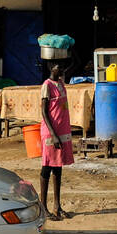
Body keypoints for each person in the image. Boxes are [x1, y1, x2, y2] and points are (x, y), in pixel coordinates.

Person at [39, 63, 74, 220]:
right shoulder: (46, 86)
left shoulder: (60, 83)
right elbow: (44, 112)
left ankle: (57, 206)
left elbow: (75, 62)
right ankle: (43, 207)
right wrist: (53, 135)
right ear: (50, 67)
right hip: (51, 132)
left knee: (58, 167)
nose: (61, 70)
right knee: (47, 167)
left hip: (62, 131)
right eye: (58, 67)